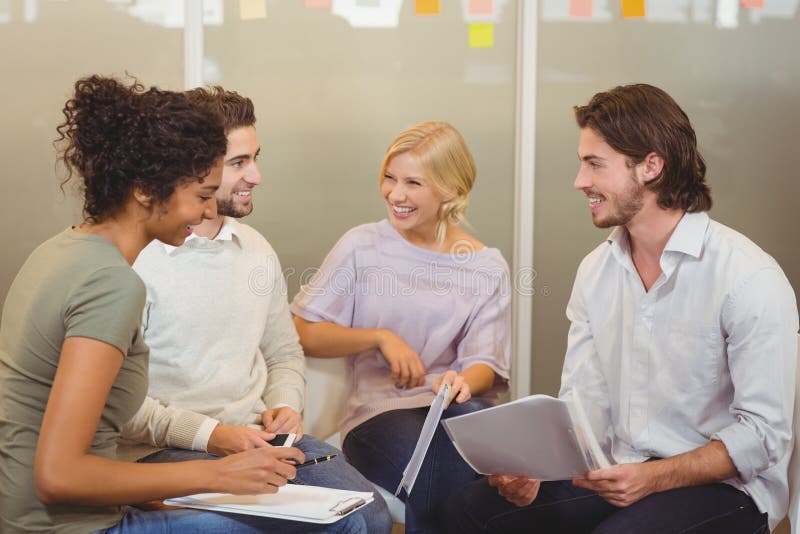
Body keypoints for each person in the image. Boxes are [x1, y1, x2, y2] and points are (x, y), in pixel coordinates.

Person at [0, 75, 351, 533]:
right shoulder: (113, 283)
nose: (210, 213)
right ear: (146, 191)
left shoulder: (59, 251)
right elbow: (57, 475)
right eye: (203, 196)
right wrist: (217, 470)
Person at [444, 84, 799, 533]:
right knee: (468, 512)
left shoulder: (748, 278)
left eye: (595, 164)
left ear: (651, 166)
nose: (580, 181)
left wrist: (653, 478)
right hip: (619, 471)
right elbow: (582, 406)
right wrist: (536, 468)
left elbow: (764, 437)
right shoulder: (596, 271)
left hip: (725, 489)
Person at [117, 86, 390, 533]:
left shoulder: (255, 249)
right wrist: (215, 436)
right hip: (161, 452)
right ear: (195, 167)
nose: (257, 175)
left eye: (255, 157)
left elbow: (283, 352)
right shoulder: (138, 260)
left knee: (368, 516)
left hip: (259, 440)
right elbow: (121, 407)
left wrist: (285, 405)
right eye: (239, 163)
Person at [291, 121, 512, 533]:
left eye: (413, 183)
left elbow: (486, 363)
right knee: (441, 475)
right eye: (390, 178)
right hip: (380, 414)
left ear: (450, 189)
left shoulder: (485, 267)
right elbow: (302, 330)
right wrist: (379, 338)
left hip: (455, 408)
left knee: (503, 476)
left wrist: (462, 381)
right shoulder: (362, 246)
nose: (395, 194)